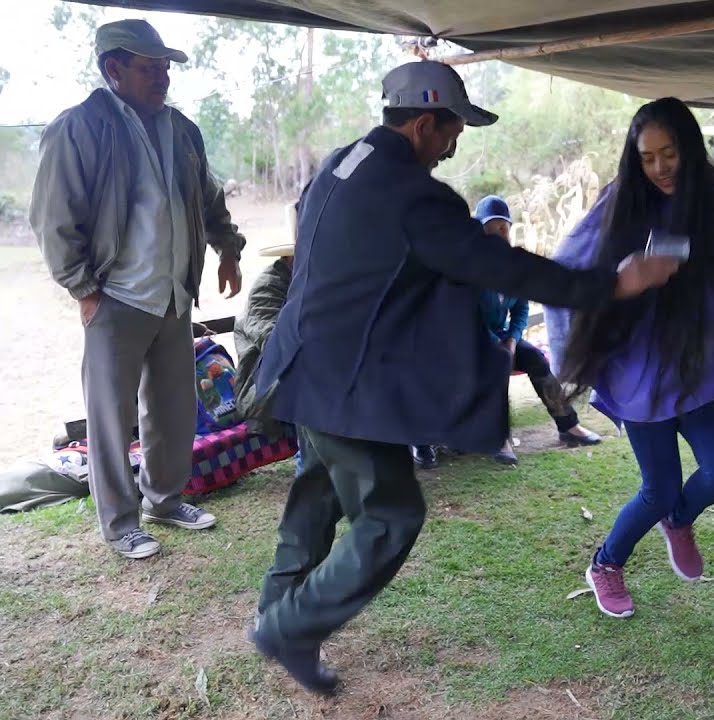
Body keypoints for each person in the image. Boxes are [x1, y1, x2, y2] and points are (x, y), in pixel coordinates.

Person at [249, 60, 678, 694]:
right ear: (424, 124)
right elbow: (496, 266)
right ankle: (287, 626)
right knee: (391, 515)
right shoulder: (414, 194)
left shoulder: (342, 163)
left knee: (317, 496)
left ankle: (280, 612)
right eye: (452, 132)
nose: (453, 146)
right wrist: (610, 283)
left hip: (301, 366)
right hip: (346, 384)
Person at [29, 19, 245, 560]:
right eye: (150, 69)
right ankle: (121, 523)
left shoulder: (182, 129)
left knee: (171, 409)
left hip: (172, 293)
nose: (162, 78)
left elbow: (208, 198)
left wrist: (230, 248)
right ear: (113, 70)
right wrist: (84, 290)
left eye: (165, 68)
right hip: (115, 297)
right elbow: (54, 218)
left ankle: (165, 499)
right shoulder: (79, 128)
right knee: (111, 416)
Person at [547, 97, 714, 619]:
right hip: (638, 368)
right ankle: (605, 563)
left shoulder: (709, 193)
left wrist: (690, 262)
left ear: (688, 148)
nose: (660, 168)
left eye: (669, 154)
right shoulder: (621, 199)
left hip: (689, 362)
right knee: (660, 485)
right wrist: (624, 275)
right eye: (647, 157)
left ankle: (679, 520)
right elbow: (569, 263)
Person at [472, 194, 602, 465]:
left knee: (535, 358)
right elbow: (465, 316)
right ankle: (499, 438)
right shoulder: (469, 269)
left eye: (503, 228)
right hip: (471, 343)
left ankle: (568, 425)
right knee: (497, 365)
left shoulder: (511, 268)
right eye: (490, 228)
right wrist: (498, 342)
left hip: (503, 339)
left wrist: (512, 339)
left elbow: (520, 310)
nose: (498, 235)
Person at [233, 241, 294, 440]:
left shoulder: (309, 277)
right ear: (289, 258)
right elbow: (275, 342)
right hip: (265, 391)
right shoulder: (268, 286)